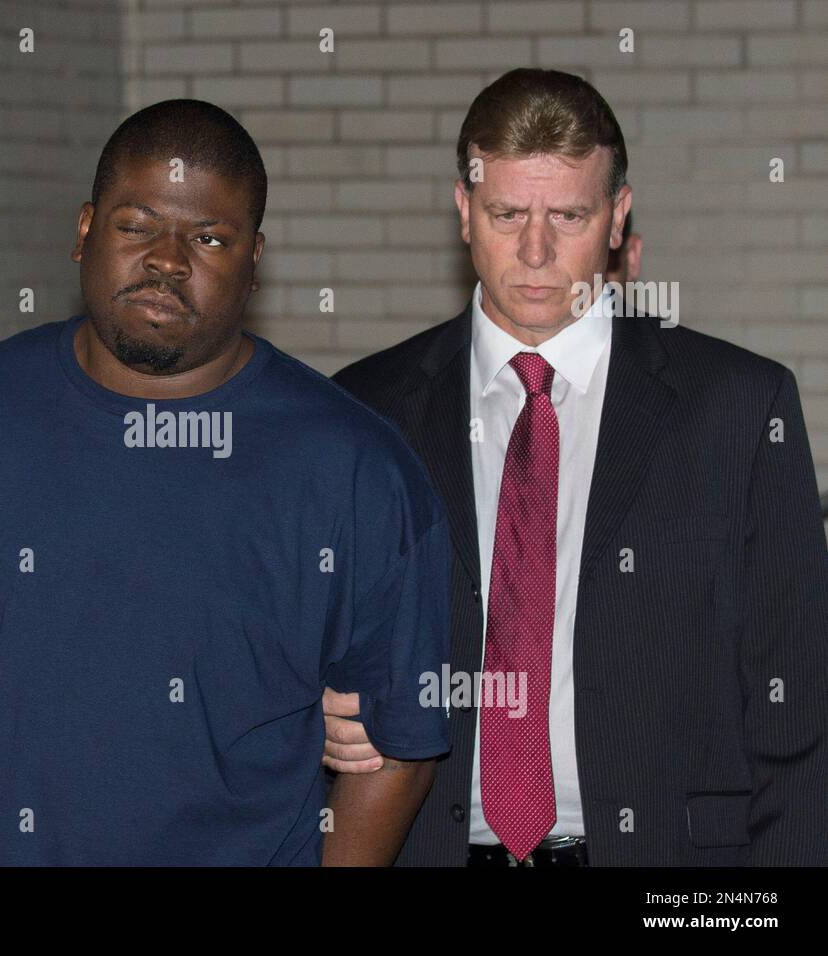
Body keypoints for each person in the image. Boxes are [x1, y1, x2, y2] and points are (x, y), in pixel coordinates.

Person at [0, 99, 451, 866]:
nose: (168, 260)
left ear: (254, 261)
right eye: (137, 225)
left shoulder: (352, 466)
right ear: (84, 231)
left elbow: (400, 745)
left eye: (209, 237)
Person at [328, 68, 827, 866]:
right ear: (463, 211)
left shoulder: (740, 406)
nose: (535, 249)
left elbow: (799, 710)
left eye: (569, 214)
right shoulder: (365, 408)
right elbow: (294, 649)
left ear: (618, 216)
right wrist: (315, 705)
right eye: (506, 214)